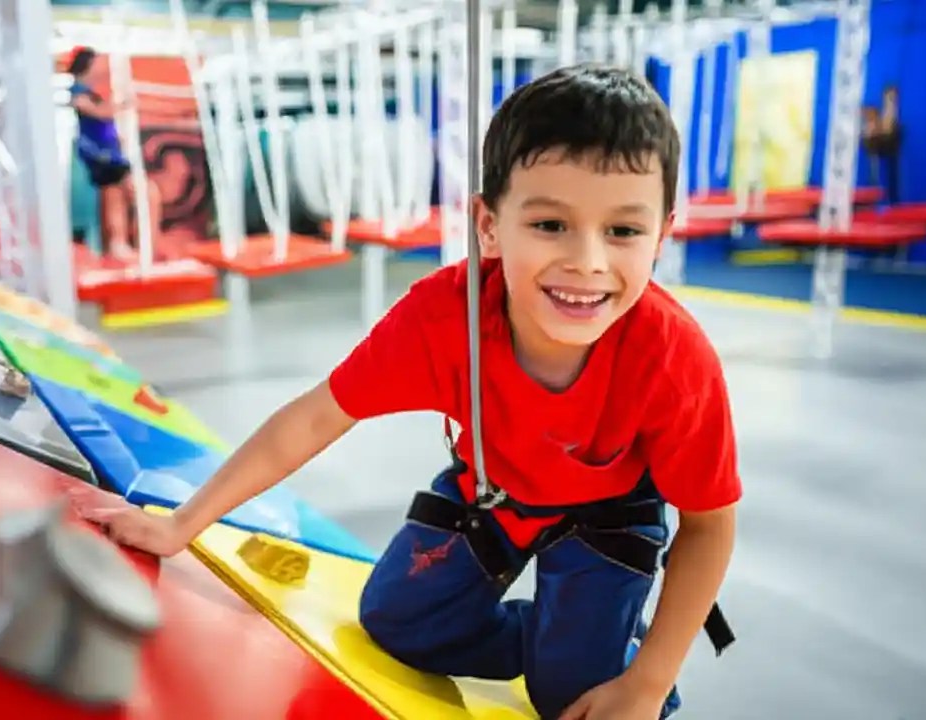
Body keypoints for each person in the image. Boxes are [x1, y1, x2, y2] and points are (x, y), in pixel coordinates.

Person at [81, 64, 740, 720]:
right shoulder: (444, 315)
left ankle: (582, 655)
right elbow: (312, 419)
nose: (587, 261)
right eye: (549, 224)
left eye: (623, 231)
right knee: (396, 622)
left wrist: (648, 683)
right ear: (487, 225)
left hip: (609, 515)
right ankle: (550, 640)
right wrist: (181, 525)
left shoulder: (675, 358)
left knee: (573, 699)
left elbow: (708, 525)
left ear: (662, 235)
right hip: (494, 487)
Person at [66, 46, 161, 260]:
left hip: (107, 155)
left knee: (115, 197)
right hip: (101, 157)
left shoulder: (88, 92)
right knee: (138, 194)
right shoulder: (78, 92)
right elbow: (98, 113)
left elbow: (102, 117)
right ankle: (131, 244)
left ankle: (122, 244)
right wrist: (124, 105)